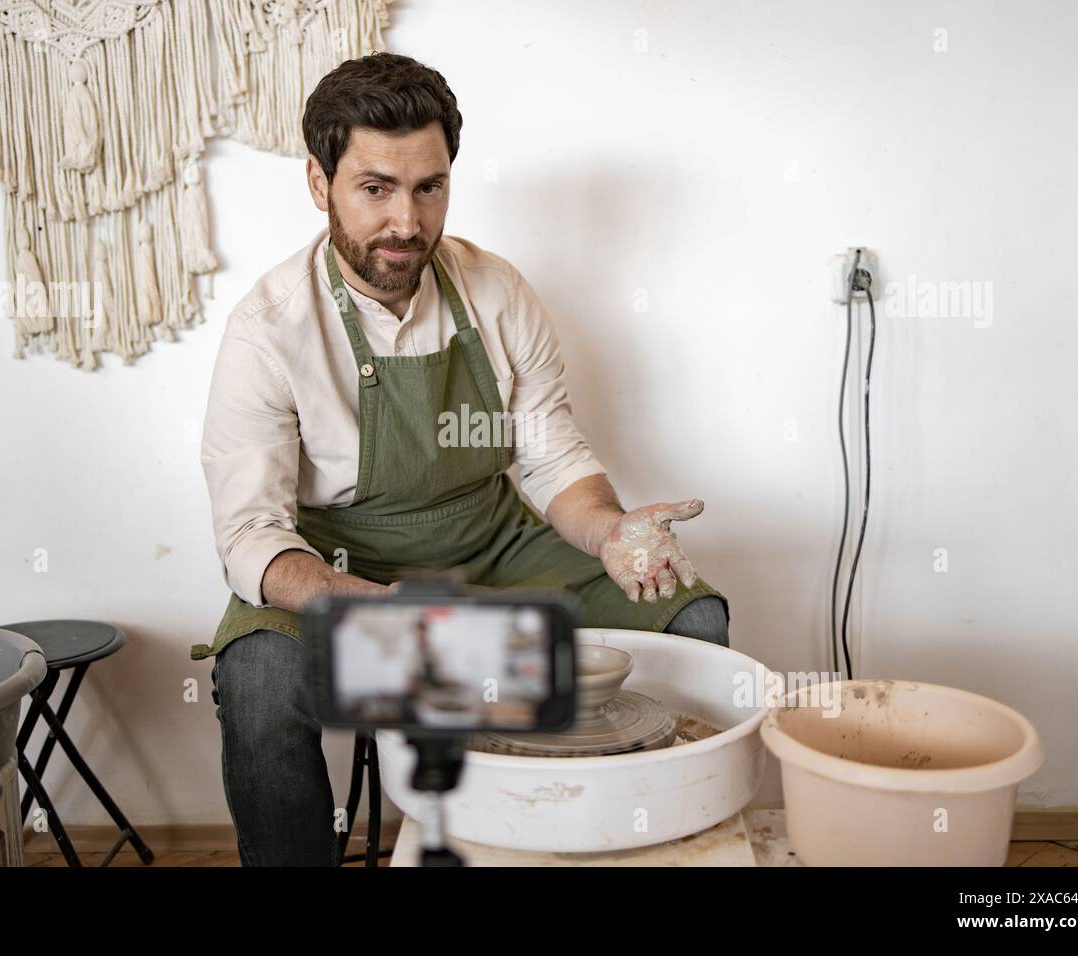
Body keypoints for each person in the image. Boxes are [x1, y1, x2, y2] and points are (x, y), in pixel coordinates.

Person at [194, 52, 731, 866]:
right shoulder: (269, 329)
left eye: (429, 187)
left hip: (493, 550)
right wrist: (376, 607)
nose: (407, 223)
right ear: (319, 182)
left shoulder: (496, 290)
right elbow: (250, 537)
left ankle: (616, 842)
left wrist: (612, 530)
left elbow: (552, 460)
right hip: (344, 570)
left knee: (692, 613)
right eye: (375, 188)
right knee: (261, 679)